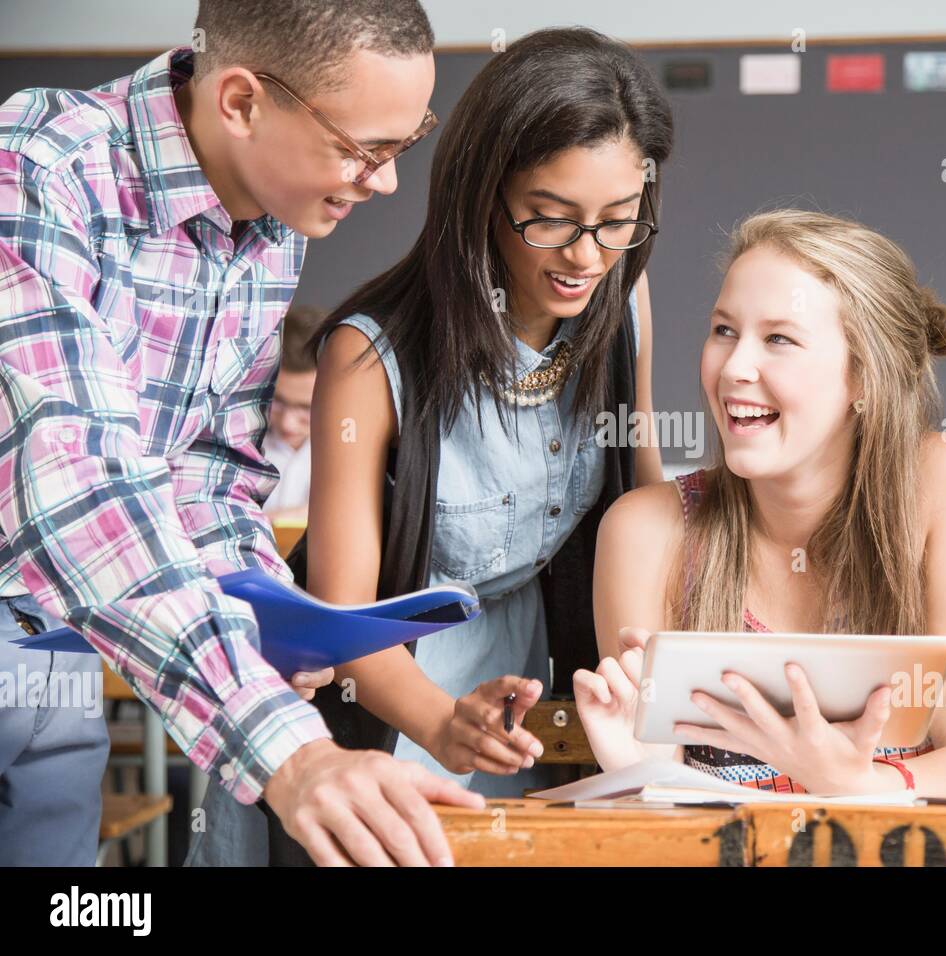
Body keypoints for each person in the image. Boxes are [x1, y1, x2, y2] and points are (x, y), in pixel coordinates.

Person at [0, 0, 484, 868]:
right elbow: (74, 485)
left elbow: (207, 473)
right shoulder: (38, 167)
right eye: (362, 149)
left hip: (50, 649)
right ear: (241, 102)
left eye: (402, 147)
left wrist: (267, 618)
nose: (384, 183)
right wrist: (288, 751)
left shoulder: (269, 222)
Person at [187, 26, 674, 865]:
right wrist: (445, 723)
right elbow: (346, 623)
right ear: (485, 196)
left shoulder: (622, 300)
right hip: (385, 694)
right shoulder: (369, 357)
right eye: (551, 221)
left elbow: (646, 496)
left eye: (617, 222)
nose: (587, 257)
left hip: (530, 687)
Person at [575, 210, 946, 798]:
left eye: (778, 339)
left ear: (865, 377)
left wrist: (854, 782)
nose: (733, 367)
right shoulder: (644, 532)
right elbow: (663, 818)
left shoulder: (945, 481)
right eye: (724, 330)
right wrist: (639, 772)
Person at [265, 306, 327, 523]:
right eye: (277, 402)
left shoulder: (354, 447)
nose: (287, 424)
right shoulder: (233, 438)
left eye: (306, 408)